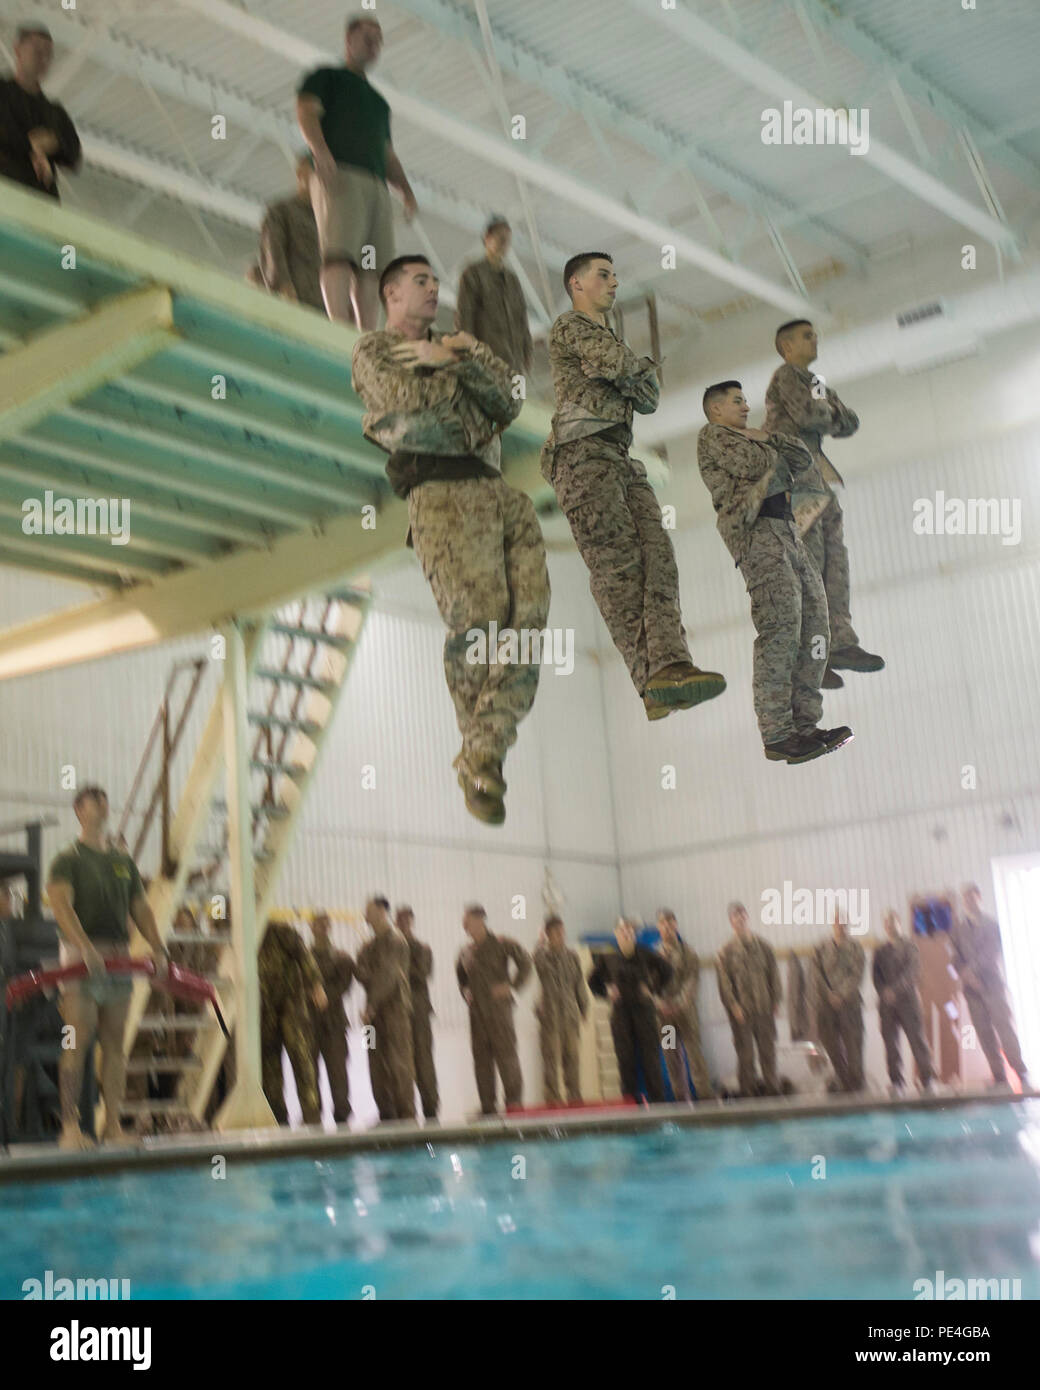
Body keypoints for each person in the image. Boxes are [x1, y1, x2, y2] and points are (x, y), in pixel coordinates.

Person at [351, 256, 550, 825]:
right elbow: (409, 406)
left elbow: (508, 402)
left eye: (436, 281)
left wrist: (454, 359)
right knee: (481, 625)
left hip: (496, 491)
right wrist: (462, 380)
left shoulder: (458, 343)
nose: (435, 288)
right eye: (421, 282)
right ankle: (482, 755)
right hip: (442, 496)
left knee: (528, 622)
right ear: (390, 292)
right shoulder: (373, 350)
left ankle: (482, 751)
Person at [542, 252, 725, 721]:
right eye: (604, 275)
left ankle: (670, 666)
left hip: (619, 456)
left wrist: (631, 370)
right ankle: (649, 681)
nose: (614, 283)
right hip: (581, 456)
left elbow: (648, 397)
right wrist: (633, 368)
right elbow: (622, 369)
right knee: (619, 568)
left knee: (658, 556)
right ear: (576, 283)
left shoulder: (606, 338)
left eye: (615, 275)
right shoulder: (568, 327)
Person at [698, 380, 852, 764]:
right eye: (736, 402)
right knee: (781, 628)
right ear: (716, 409)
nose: (745, 407)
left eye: (745, 401)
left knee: (816, 627)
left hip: (788, 531)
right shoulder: (712, 437)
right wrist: (769, 444)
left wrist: (769, 438)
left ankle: (805, 725)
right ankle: (777, 732)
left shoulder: (756, 437)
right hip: (757, 535)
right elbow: (755, 464)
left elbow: (802, 460)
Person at [46, 786, 169, 1149]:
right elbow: (61, 907)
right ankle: (70, 1127)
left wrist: (157, 947)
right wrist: (83, 947)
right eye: (93, 798)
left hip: (118, 959)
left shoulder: (123, 861)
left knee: (115, 1044)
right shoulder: (67, 859)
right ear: (79, 811)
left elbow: (141, 909)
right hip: (80, 959)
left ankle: (111, 1125)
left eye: (105, 797)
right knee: (77, 1039)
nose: (103, 801)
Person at [764, 319, 883, 689]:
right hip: (794, 483)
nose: (814, 340)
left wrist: (831, 413)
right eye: (806, 336)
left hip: (818, 479)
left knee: (835, 564)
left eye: (814, 334)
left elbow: (850, 421)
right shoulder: (786, 377)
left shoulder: (815, 382)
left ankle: (840, 643)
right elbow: (812, 415)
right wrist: (831, 413)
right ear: (786, 346)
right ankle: (809, 656)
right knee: (810, 569)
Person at [296, 14, 417, 328]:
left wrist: (405, 190)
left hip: (376, 185)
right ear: (349, 41)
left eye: (378, 40)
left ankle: (366, 333)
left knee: (371, 266)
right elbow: (307, 111)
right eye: (367, 38)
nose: (374, 45)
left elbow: (388, 154)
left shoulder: (380, 103)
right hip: (341, 175)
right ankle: (338, 324)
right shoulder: (326, 77)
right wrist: (320, 153)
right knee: (339, 254)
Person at [455, 904, 531, 1115]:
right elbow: (461, 978)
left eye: (467, 920)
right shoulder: (465, 952)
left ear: (480, 921)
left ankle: (514, 1105)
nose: (464, 925)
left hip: (499, 1013)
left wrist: (512, 987)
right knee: (482, 1062)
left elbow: (526, 963)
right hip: (477, 1015)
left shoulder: (502, 944)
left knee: (507, 1058)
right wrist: (465, 993)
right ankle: (488, 1107)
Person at [952, 884, 1029, 1090]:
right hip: (972, 990)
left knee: (1004, 1029)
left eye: (971, 897)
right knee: (984, 1032)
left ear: (979, 897)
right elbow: (955, 957)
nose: (968, 901)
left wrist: (972, 972)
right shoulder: (959, 928)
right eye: (964, 898)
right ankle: (999, 1075)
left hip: (992, 985)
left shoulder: (992, 925)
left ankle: (1021, 1072)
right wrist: (966, 976)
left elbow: (991, 953)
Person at [588, 918, 672, 1104]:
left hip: (644, 1011)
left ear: (634, 936)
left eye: (630, 932)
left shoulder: (646, 954)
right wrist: (606, 992)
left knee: (651, 1059)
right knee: (625, 1060)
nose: (626, 934)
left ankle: (659, 1103)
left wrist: (653, 989)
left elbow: (667, 971)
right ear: (616, 935)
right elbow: (592, 982)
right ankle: (631, 1104)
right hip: (621, 1015)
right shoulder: (607, 958)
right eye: (623, 931)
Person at [0, 24, 81, 200]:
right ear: (18, 50)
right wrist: (35, 148)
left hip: (40, 202)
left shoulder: (55, 112)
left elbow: (74, 154)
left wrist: (53, 143)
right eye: (37, 49)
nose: (43, 57)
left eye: (48, 53)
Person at [258, 918, 326, 1126]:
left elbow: (302, 953)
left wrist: (315, 983)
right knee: (269, 1067)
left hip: (291, 1007)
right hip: (264, 1010)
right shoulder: (242, 936)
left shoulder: (279, 930)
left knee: (301, 1060)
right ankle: (278, 1117)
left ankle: (311, 1116)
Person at [355, 895, 415, 1121]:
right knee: (376, 1063)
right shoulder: (368, 947)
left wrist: (371, 1004)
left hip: (394, 1012)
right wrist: (372, 981)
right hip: (372, 1017)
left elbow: (388, 976)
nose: (365, 917)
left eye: (369, 911)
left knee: (399, 1062)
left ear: (382, 911)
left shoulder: (396, 941)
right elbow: (359, 971)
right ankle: (386, 1113)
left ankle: (406, 1114)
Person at [716, 903, 781, 1097]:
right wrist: (734, 1006)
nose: (740, 918)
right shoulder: (725, 952)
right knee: (745, 1056)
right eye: (736, 916)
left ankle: (772, 1090)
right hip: (741, 1013)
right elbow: (724, 983)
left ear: (747, 917)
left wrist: (776, 1001)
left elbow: (774, 976)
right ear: (731, 921)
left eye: (742, 914)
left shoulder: (764, 947)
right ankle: (748, 1093)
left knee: (768, 1052)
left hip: (764, 1009)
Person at [455, 216, 532, 379]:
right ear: (487, 238)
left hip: (514, 365)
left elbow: (522, 319)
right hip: (485, 364)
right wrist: (466, 354)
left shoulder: (513, 281)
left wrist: (527, 353)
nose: (504, 243)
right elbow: (464, 317)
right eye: (500, 238)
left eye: (508, 240)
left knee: (514, 402)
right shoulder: (473, 274)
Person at [873, 910, 934, 1097]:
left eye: (893, 922)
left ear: (899, 923)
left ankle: (928, 1080)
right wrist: (884, 992)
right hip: (887, 1006)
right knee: (891, 1045)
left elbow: (912, 972)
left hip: (908, 1002)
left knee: (917, 1041)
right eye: (887, 923)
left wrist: (895, 990)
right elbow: (876, 976)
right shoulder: (880, 951)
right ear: (885, 927)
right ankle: (896, 1082)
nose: (890, 926)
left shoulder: (910, 946)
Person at [655, 909, 715, 1101]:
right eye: (663, 923)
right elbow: (649, 985)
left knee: (694, 1056)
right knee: (672, 1059)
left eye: (671, 922)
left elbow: (691, 982)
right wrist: (660, 1004)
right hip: (665, 1019)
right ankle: (681, 1100)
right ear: (658, 927)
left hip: (685, 1016)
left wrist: (678, 1004)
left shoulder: (689, 953)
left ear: (676, 925)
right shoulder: (653, 957)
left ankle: (705, 1100)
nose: (668, 927)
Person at [533, 915, 588, 1106]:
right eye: (556, 932)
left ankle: (575, 1097)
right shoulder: (542, 957)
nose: (561, 936)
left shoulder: (572, 956)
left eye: (562, 932)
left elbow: (579, 983)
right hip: (550, 1015)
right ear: (548, 934)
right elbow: (537, 963)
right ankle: (553, 1100)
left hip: (570, 1014)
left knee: (572, 1058)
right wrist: (539, 942)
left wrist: (584, 1006)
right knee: (551, 1060)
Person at [258, 154, 325, 312]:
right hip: (292, 303)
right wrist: (283, 287)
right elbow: (272, 253)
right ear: (301, 173)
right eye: (318, 173)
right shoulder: (282, 212)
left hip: (323, 313)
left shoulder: (330, 224)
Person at [811, 911, 866, 1094]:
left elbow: (857, 974)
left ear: (848, 923)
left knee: (854, 1049)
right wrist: (829, 995)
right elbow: (816, 974)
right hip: (826, 1007)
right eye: (836, 921)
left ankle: (857, 1088)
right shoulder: (821, 948)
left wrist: (841, 995)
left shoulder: (856, 948)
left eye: (843, 921)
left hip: (850, 1006)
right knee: (831, 1046)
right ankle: (843, 1083)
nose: (840, 924)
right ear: (832, 923)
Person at [309, 912, 355, 1124]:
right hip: (310, 1023)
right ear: (311, 927)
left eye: (325, 924)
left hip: (335, 1024)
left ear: (330, 927)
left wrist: (326, 994)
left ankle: (343, 1115)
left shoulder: (342, 957)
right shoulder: (304, 957)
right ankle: (312, 1115)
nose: (321, 928)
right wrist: (313, 994)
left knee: (338, 1072)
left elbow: (345, 983)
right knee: (309, 1073)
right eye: (317, 924)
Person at [395, 905, 439, 1121]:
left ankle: (431, 1110)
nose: (402, 924)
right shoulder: (390, 949)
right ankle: (405, 1112)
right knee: (401, 1063)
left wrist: (399, 970)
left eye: (406, 920)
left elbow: (423, 973)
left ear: (412, 922)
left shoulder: (422, 948)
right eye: (399, 920)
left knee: (424, 1062)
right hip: (396, 1014)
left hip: (418, 1011)